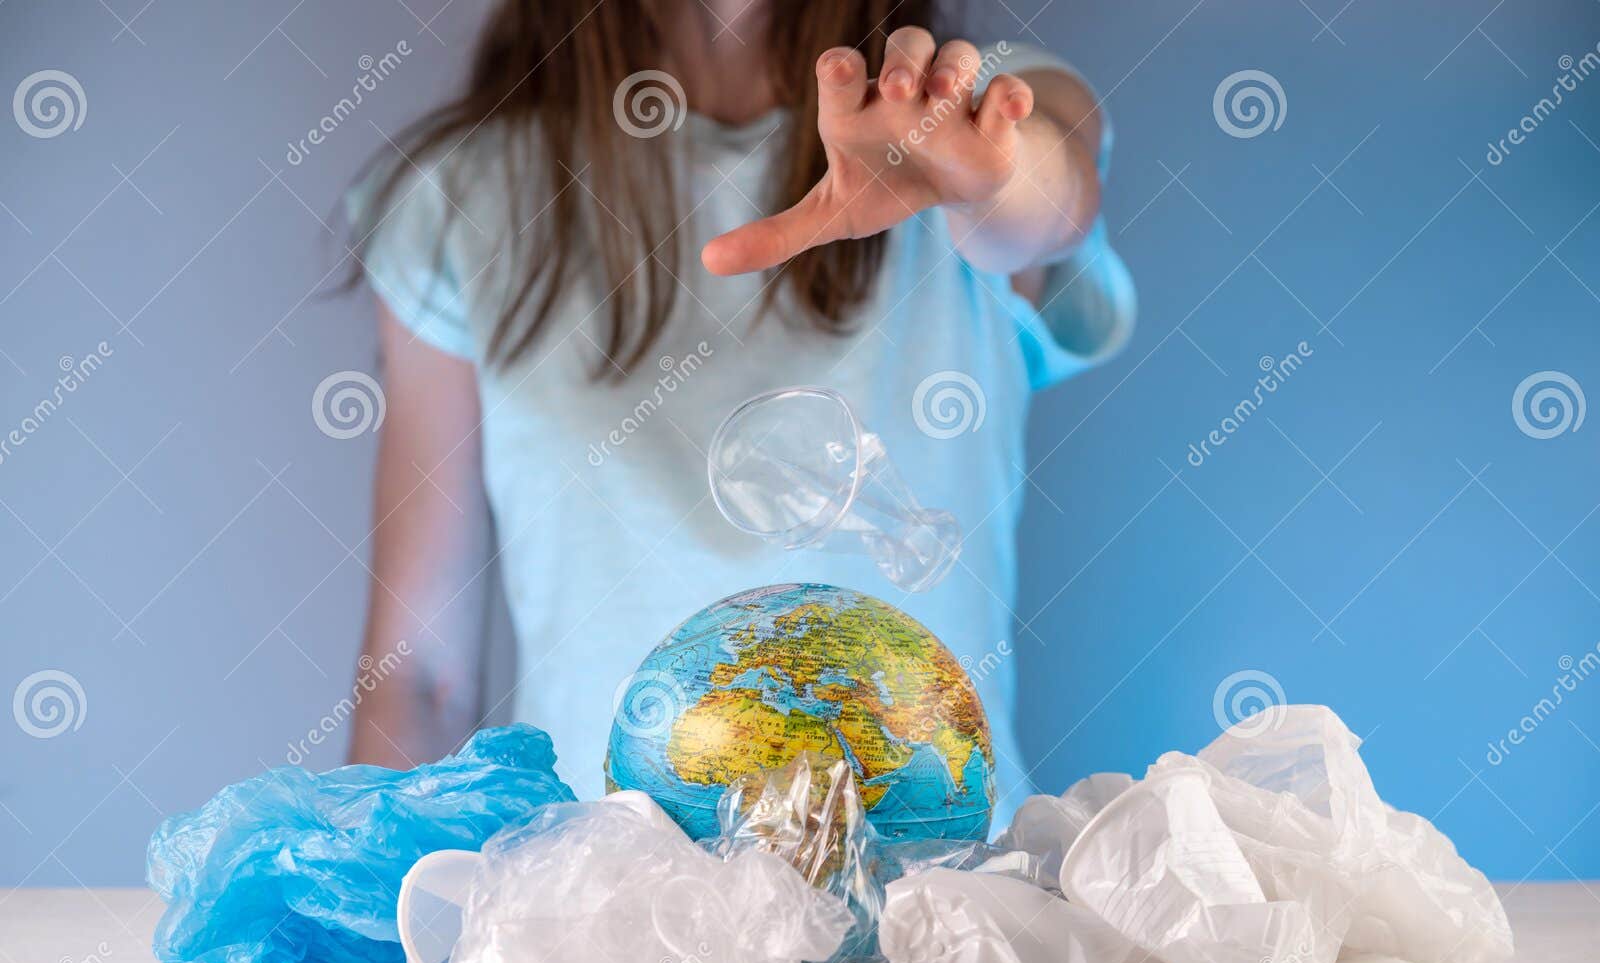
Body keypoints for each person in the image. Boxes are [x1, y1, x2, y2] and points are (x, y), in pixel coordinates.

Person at [343, 0, 1135, 828]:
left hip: (946, 918)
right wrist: (362, 920)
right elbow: (420, 676)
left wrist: (986, 172)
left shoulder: (966, 103)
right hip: (598, 929)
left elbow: (1043, 200)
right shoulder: (462, 200)